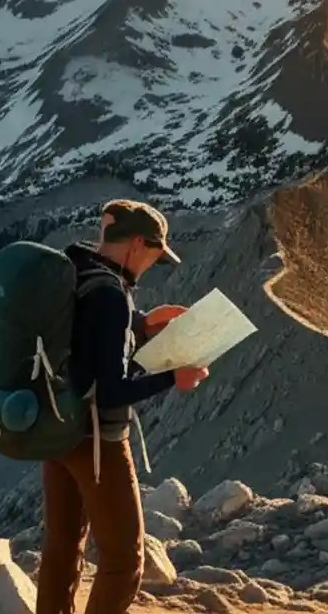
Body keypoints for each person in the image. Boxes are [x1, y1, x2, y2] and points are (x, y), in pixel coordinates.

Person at [38, 199, 209, 614]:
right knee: (123, 560)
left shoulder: (74, 265)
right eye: (154, 254)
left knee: (62, 548)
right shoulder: (112, 294)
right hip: (99, 441)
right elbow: (111, 390)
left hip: (54, 429)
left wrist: (143, 323)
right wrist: (174, 377)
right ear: (136, 243)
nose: (153, 263)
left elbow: (84, 336)